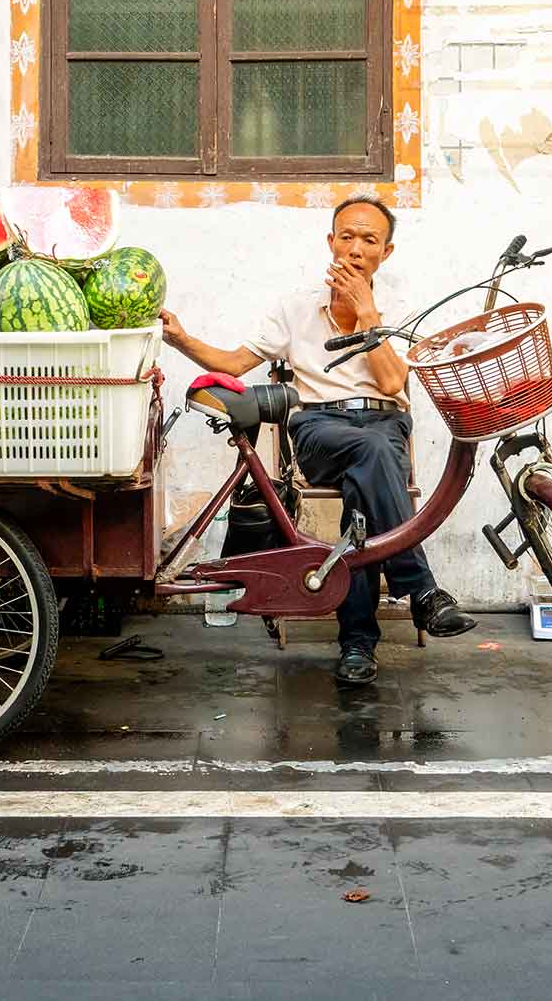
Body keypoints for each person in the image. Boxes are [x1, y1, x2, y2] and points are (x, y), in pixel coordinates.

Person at [160, 196, 479, 686]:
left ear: (386, 253)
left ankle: (357, 645)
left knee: (362, 494)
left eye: (368, 241)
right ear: (330, 243)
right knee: (368, 458)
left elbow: (393, 385)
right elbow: (234, 365)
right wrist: (180, 338)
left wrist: (368, 313)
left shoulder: (398, 308)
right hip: (318, 429)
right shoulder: (295, 308)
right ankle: (423, 592)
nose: (355, 249)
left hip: (383, 424)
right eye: (346, 237)